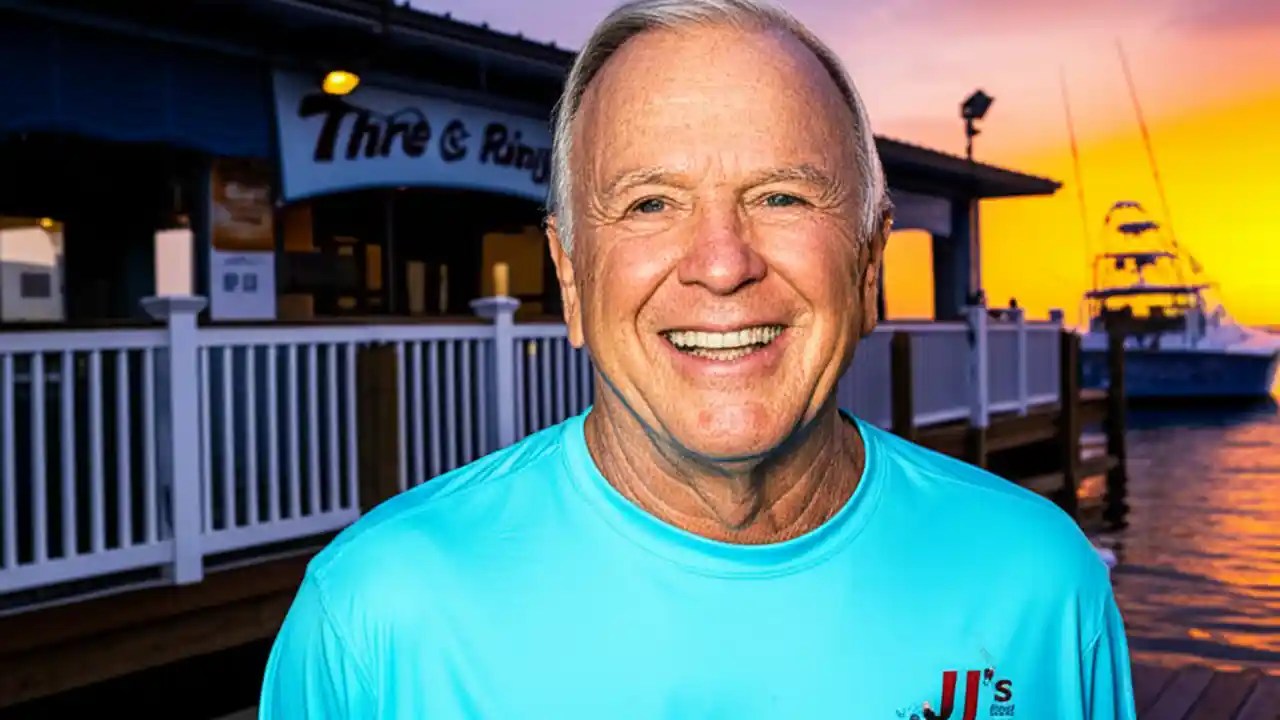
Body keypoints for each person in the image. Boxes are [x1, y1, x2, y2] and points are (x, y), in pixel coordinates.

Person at [260, 0, 1138, 717]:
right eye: (649, 204)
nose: (722, 263)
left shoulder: (1040, 587)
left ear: (870, 264)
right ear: (570, 277)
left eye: (783, 194)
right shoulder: (375, 622)